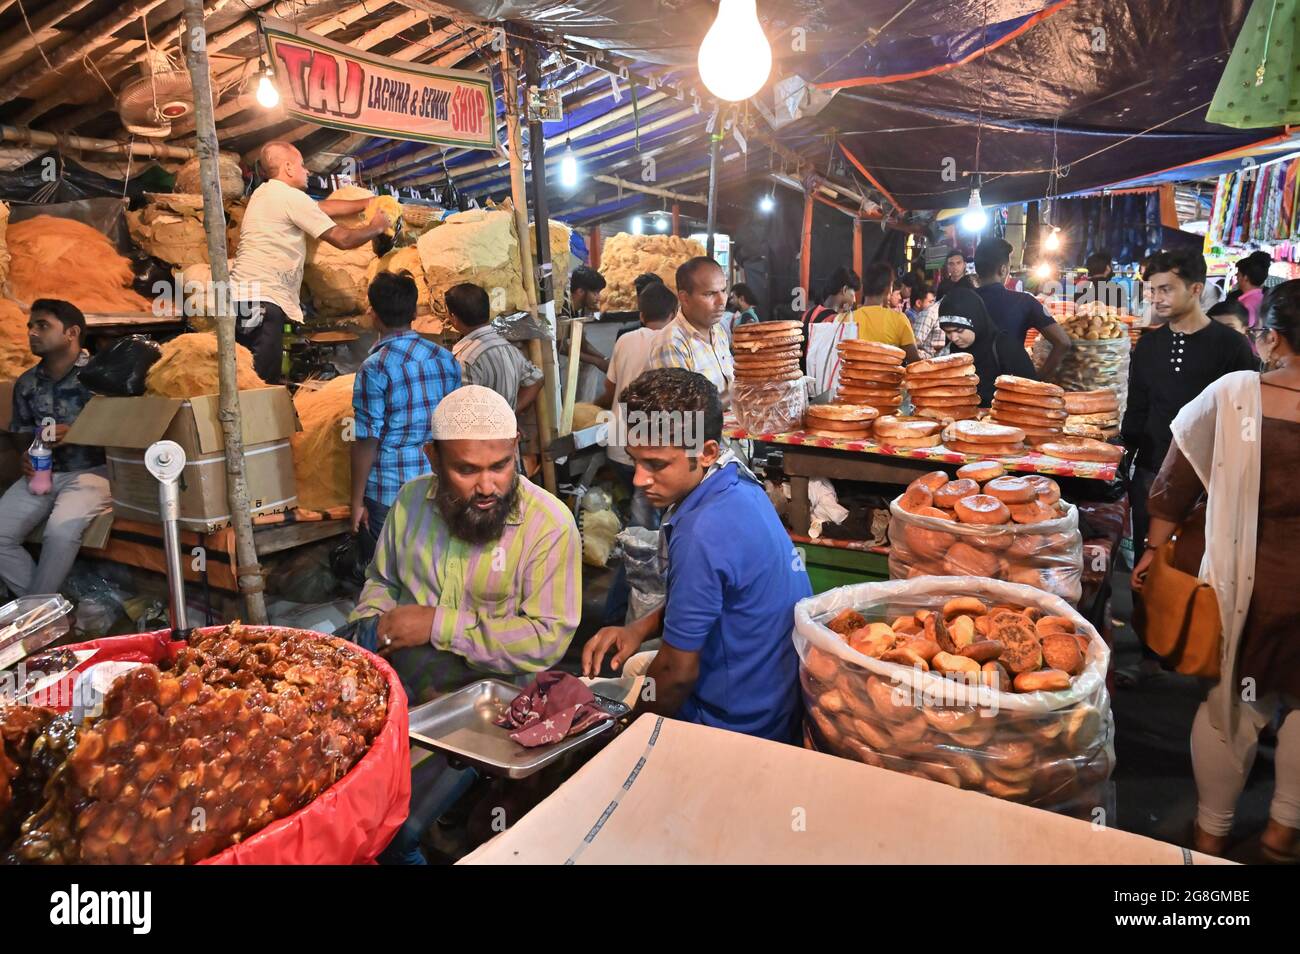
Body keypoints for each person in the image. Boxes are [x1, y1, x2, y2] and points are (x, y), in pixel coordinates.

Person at [349, 385, 581, 863]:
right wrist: (376, 622)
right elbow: (381, 580)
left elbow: (546, 638)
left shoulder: (549, 525)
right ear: (432, 457)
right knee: (344, 801)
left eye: (499, 466)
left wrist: (438, 623)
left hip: (490, 713)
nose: (488, 486)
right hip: (405, 692)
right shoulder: (411, 504)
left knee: (395, 832)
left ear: (516, 447)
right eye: (466, 469)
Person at [1131, 280, 1300, 861]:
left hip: (1246, 584)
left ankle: (1211, 834)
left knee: (1233, 705)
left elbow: (1174, 482)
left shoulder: (1237, 395)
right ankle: (1281, 834)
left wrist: (1153, 551)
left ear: (1273, 335)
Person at [581, 368, 811, 742]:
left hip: (737, 725)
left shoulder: (702, 532)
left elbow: (677, 673)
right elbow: (708, 599)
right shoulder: (736, 481)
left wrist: (628, 730)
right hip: (777, 701)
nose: (638, 479)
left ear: (706, 453)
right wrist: (639, 627)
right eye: (634, 460)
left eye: (655, 464)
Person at [1120, 248, 1257, 688]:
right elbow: (1138, 408)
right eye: (1152, 290)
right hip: (1154, 471)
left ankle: (1204, 655)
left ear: (1195, 290)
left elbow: (1246, 413)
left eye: (1166, 289)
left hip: (1211, 479)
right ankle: (1149, 654)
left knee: (1201, 565)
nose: (1157, 298)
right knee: (1149, 563)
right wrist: (1125, 456)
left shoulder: (1231, 346)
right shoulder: (1150, 344)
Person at [230, 141, 392, 382]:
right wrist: (376, 227)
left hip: (243, 299)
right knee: (260, 384)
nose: (307, 171)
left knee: (244, 377)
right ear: (288, 167)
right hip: (262, 300)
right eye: (302, 165)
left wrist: (367, 203)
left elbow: (320, 208)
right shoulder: (289, 196)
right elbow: (343, 239)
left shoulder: (265, 193)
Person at [0, 300, 110, 597]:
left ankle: (38, 616)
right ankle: (48, 611)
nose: (32, 332)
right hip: (43, 472)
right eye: (30, 326)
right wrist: (26, 456)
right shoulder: (27, 383)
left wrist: (78, 433)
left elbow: (129, 430)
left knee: (60, 532)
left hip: (94, 471)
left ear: (71, 332)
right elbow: (22, 432)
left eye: (43, 325)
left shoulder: (103, 376)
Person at [349, 273, 460, 557]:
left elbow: (367, 439)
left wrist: (356, 501)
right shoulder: (444, 357)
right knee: (435, 564)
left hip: (389, 488)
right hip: (438, 480)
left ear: (374, 315)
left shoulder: (374, 367)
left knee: (390, 574)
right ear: (413, 312)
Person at [595, 281, 677, 626]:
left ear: (641, 314)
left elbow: (610, 389)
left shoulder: (625, 340)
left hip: (619, 447)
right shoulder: (671, 342)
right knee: (645, 542)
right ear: (675, 313)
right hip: (651, 452)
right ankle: (621, 617)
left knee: (641, 534)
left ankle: (627, 613)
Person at [973, 238, 1072, 380]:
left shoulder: (962, 302)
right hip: (1014, 387)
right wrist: (1038, 380)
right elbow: (1063, 342)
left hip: (972, 389)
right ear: (1003, 269)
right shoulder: (1025, 301)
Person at [646, 256, 734, 405]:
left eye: (723, 290)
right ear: (684, 298)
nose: (722, 301)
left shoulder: (718, 330)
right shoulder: (671, 343)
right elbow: (685, 411)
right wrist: (737, 392)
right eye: (710, 294)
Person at [446, 283, 543, 413]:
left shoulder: (465, 358)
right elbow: (536, 380)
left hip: (480, 432)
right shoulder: (509, 347)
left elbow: (466, 411)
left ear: (454, 318)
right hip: (506, 430)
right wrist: (508, 413)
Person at [936, 288, 1037, 406]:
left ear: (976, 321)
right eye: (947, 332)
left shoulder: (1006, 348)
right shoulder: (950, 353)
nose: (954, 338)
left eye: (959, 330)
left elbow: (1031, 394)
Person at [848, 263, 921, 363]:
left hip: (852, 378)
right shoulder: (899, 319)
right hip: (889, 378)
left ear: (863, 287)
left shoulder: (844, 320)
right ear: (888, 289)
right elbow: (914, 360)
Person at [800, 266, 860, 367]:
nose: (854, 300)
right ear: (844, 290)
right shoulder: (836, 320)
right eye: (853, 294)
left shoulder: (808, 313)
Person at [564, 265, 610, 373]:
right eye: (595, 293)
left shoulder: (580, 309)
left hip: (568, 352)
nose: (598, 298)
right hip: (556, 359)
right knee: (590, 363)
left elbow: (582, 342)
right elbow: (561, 346)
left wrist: (604, 359)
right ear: (580, 291)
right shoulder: (562, 307)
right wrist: (597, 361)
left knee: (591, 365)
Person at [1232, 250, 1271, 329]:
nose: (1236, 275)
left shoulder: (1245, 305)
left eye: (1238, 274)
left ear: (1245, 278)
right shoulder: (1264, 298)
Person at [908, 282, 944, 360]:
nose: (933, 305)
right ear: (918, 303)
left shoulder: (928, 313)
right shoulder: (926, 314)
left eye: (934, 301)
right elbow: (914, 344)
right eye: (930, 302)